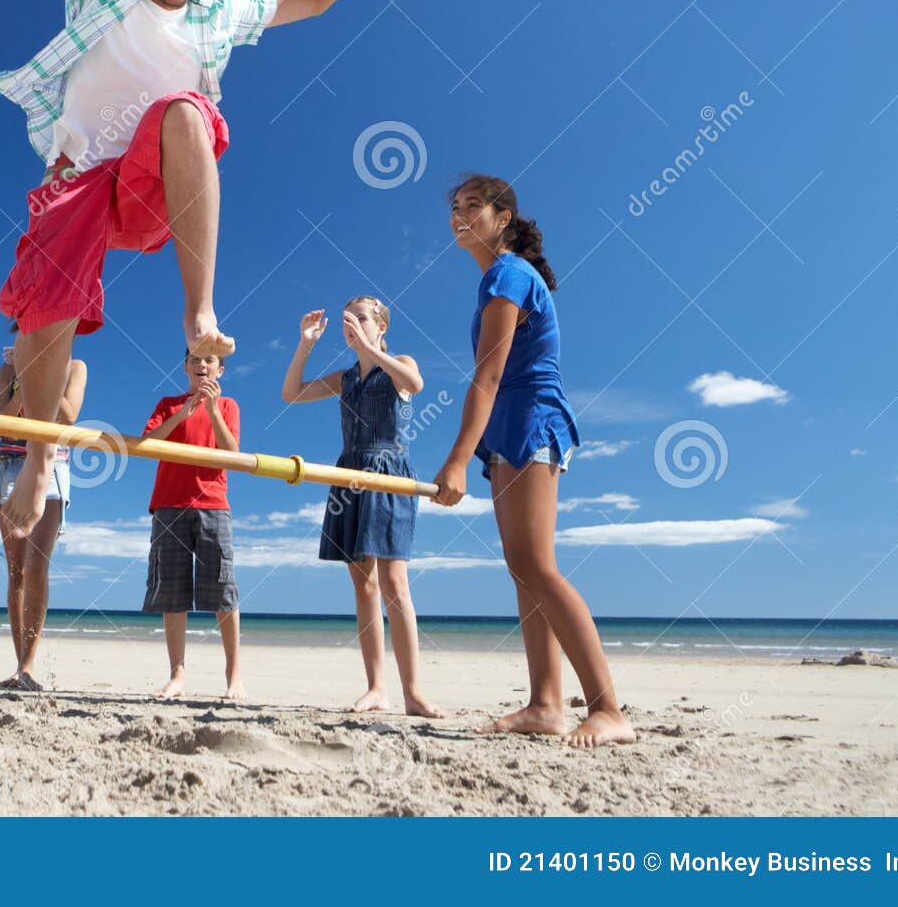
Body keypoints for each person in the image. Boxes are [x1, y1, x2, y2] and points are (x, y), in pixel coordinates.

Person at [0, 0, 413, 536]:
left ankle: (198, 309)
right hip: (78, 180)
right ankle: (37, 458)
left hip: (155, 191)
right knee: (49, 292)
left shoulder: (216, 11)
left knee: (184, 112)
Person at [431, 175, 634, 747]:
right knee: (522, 567)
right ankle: (546, 704)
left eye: (473, 205)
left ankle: (608, 709)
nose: (459, 214)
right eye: (455, 206)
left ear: (504, 218)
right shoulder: (498, 278)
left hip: (530, 418)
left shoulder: (509, 273)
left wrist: (456, 460)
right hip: (506, 427)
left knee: (537, 566)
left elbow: (489, 374)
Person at [281, 297, 441, 717]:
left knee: (394, 583)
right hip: (349, 475)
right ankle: (376, 689)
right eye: (347, 319)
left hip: (389, 472)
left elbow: (415, 384)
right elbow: (291, 393)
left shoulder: (398, 362)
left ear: (381, 326)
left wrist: (370, 350)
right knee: (363, 584)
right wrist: (305, 344)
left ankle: (413, 692)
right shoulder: (345, 378)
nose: (351, 324)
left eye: (361, 318)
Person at [0, 327, 85, 689]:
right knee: (16, 571)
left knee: (37, 566)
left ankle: (28, 664)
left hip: (53, 467)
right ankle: (20, 665)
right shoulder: (7, 371)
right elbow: (3, 425)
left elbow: (67, 417)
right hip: (11, 465)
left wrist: (44, 368)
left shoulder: (76, 367)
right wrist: (24, 374)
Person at [141, 349, 242, 700]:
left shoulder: (228, 406)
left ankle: (233, 675)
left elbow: (232, 454)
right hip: (169, 505)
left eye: (209, 360)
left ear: (220, 369)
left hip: (213, 505)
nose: (202, 365)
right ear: (185, 366)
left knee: (223, 590)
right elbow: (148, 444)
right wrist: (182, 413)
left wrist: (211, 409)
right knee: (172, 593)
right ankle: (177, 675)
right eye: (195, 359)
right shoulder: (167, 403)